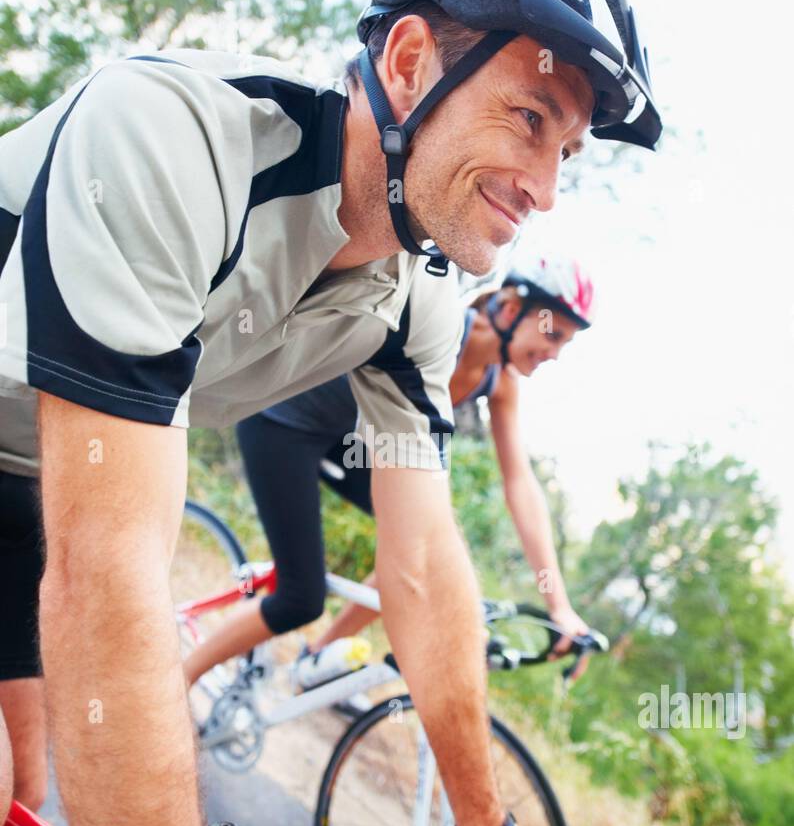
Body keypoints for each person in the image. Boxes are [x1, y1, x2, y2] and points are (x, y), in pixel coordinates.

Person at [0, 0, 661, 826]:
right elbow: (108, 575)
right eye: (530, 117)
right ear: (408, 63)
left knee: (25, 773)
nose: (547, 186)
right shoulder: (174, 140)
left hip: (26, 472)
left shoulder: (420, 297)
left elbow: (422, 567)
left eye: (568, 151)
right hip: (31, 452)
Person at [184, 256, 596, 696]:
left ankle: (315, 660)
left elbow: (520, 484)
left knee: (422, 544)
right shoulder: (441, 329)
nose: (554, 354)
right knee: (300, 599)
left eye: (565, 345)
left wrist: (559, 605)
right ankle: (175, 681)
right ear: (512, 310)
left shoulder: (501, 381)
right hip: (284, 427)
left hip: (350, 447)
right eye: (552, 334)